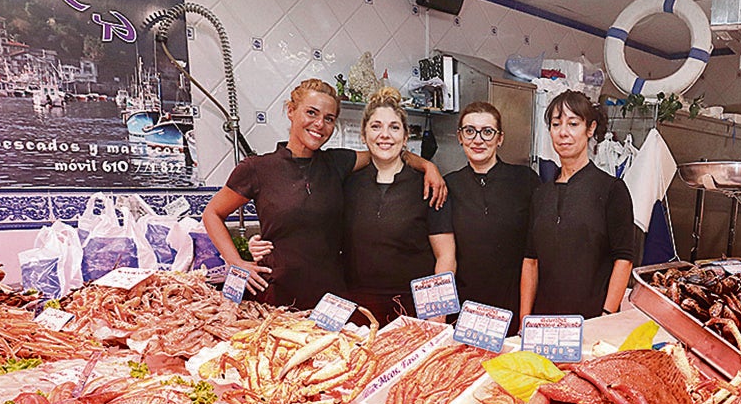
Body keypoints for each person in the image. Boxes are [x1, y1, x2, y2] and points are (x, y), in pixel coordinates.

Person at [200, 78, 446, 308]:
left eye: (329, 118)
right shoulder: (257, 168)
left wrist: (427, 165)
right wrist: (236, 262)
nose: (319, 124)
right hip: (278, 291)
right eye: (311, 113)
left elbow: (383, 149)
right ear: (291, 111)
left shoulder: (337, 163)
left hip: (332, 297)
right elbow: (212, 212)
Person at [520, 90, 636, 320]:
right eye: (556, 124)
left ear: (590, 129)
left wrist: (606, 315)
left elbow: (624, 259)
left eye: (573, 124)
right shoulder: (541, 194)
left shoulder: (611, 189)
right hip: (544, 323)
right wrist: (524, 319)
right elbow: (530, 261)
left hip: (591, 320)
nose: (563, 133)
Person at [343, 87, 455, 323]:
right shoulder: (346, 184)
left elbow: (446, 255)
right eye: (376, 127)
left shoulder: (429, 186)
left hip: (412, 309)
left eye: (394, 127)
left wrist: (437, 312)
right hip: (358, 308)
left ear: (405, 138)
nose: (385, 135)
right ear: (363, 135)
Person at [444, 101, 540, 319]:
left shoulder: (526, 180)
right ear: (460, 137)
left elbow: (536, 253)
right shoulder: (448, 186)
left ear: (500, 138)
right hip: (465, 311)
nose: (478, 140)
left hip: (514, 307)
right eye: (469, 131)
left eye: (487, 132)